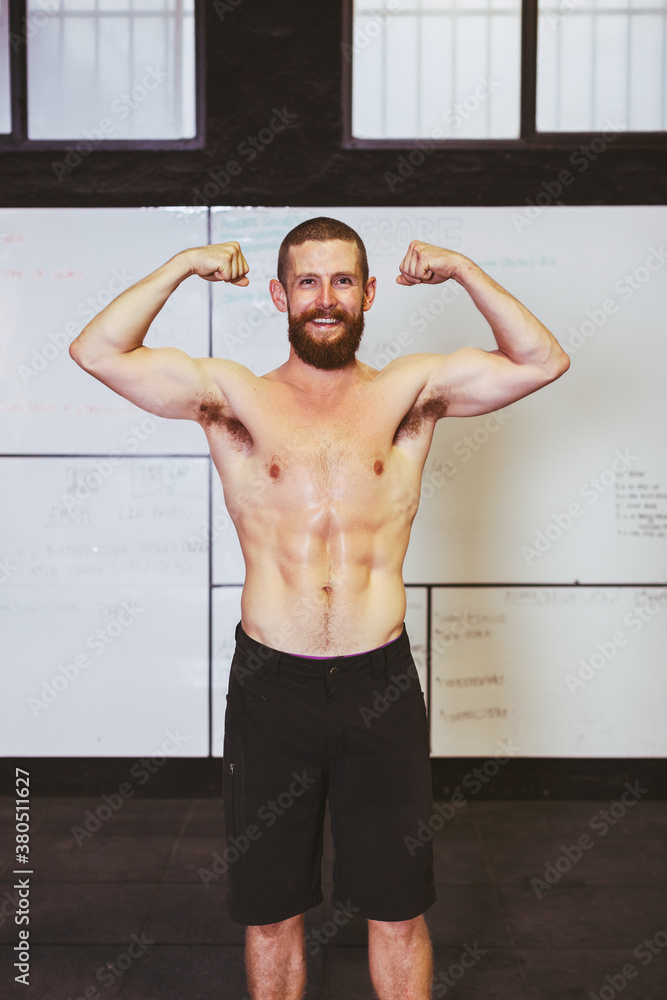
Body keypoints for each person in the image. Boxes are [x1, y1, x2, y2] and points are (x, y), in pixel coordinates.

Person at [69, 216, 570, 1000]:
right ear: (279, 295)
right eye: (307, 281)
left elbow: (542, 359)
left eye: (342, 281)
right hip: (273, 689)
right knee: (271, 915)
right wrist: (183, 262)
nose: (325, 298)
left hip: (380, 685)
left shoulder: (411, 392)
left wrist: (465, 269)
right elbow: (96, 351)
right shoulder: (233, 397)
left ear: (369, 293)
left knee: (397, 910)